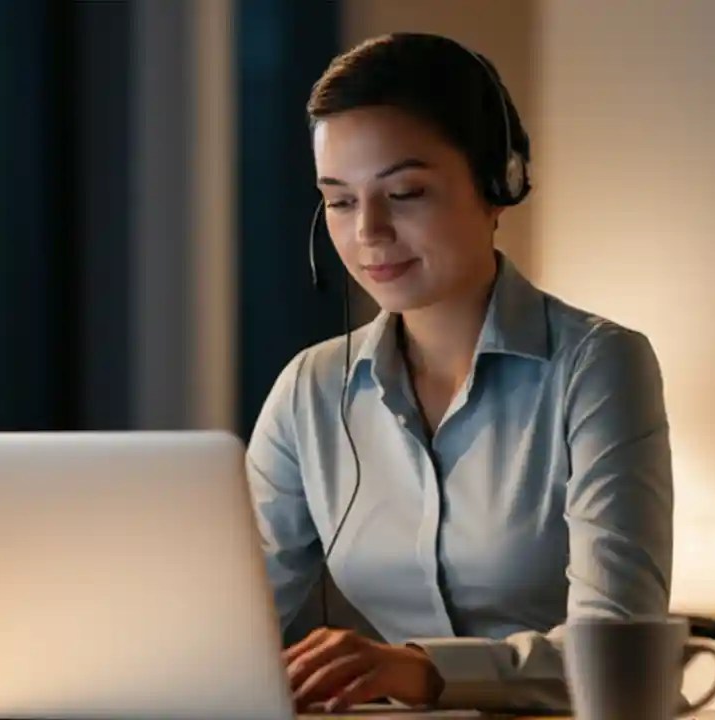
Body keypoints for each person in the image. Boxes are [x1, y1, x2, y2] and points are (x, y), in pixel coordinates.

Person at [246, 32, 673, 713]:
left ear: (498, 183)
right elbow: (226, 625)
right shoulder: (311, 390)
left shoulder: (597, 366)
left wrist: (425, 671)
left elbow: (615, 650)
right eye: (341, 201)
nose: (369, 232)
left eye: (404, 192)